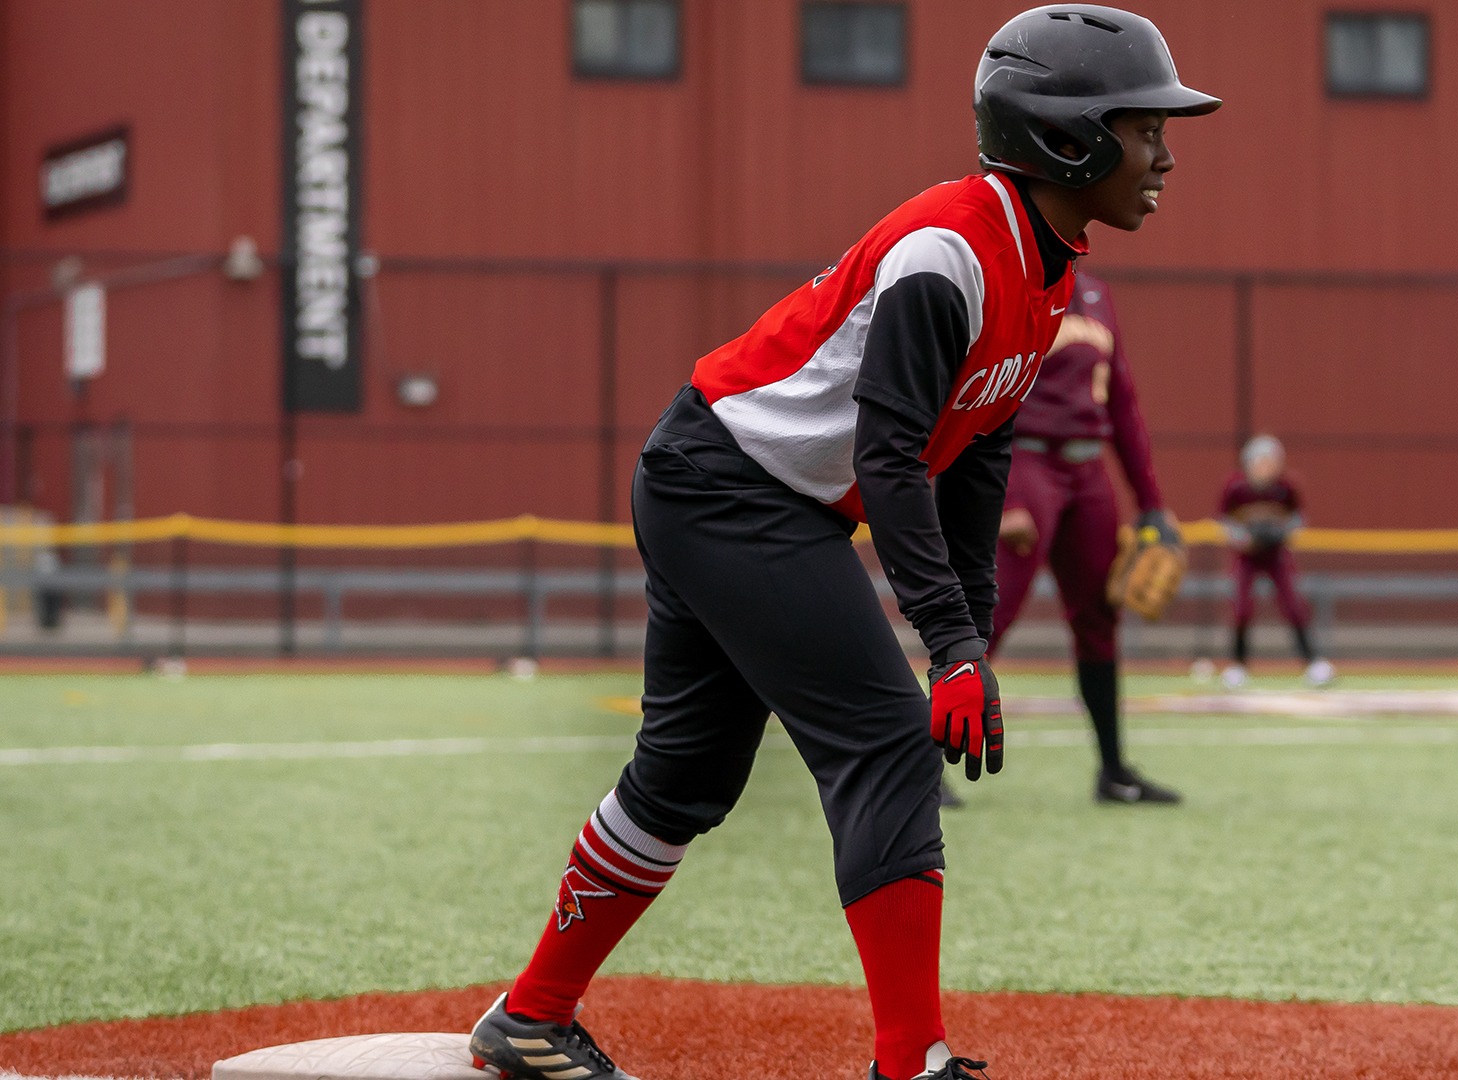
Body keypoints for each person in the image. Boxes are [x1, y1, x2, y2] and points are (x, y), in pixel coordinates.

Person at [465, 8, 1218, 1080]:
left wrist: (969, 641)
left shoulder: (1046, 270)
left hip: (738, 487)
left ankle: (530, 1017)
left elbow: (975, 461)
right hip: (729, 486)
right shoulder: (948, 253)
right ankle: (910, 1062)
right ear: (1067, 139)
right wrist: (945, 647)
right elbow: (892, 454)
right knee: (883, 747)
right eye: (1145, 128)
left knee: (681, 781)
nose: (1165, 154)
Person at [975, 268, 1184, 806]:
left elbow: (1124, 404)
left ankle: (1113, 770)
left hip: (1089, 470)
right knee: (990, 613)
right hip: (1026, 462)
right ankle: (923, 767)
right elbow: (977, 390)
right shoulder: (1013, 283)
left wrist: (1152, 504)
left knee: (1099, 618)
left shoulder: (1095, 292)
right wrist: (999, 493)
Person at [1216, 435, 1334, 689]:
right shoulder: (1236, 487)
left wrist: (1281, 533)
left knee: (1293, 605)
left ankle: (1313, 662)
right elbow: (1223, 520)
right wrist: (1244, 537)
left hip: (1276, 554)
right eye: (1260, 462)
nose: (1264, 468)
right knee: (1241, 606)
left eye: (1269, 462)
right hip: (1246, 555)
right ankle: (1238, 665)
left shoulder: (1285, 487)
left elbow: (1298, 518)